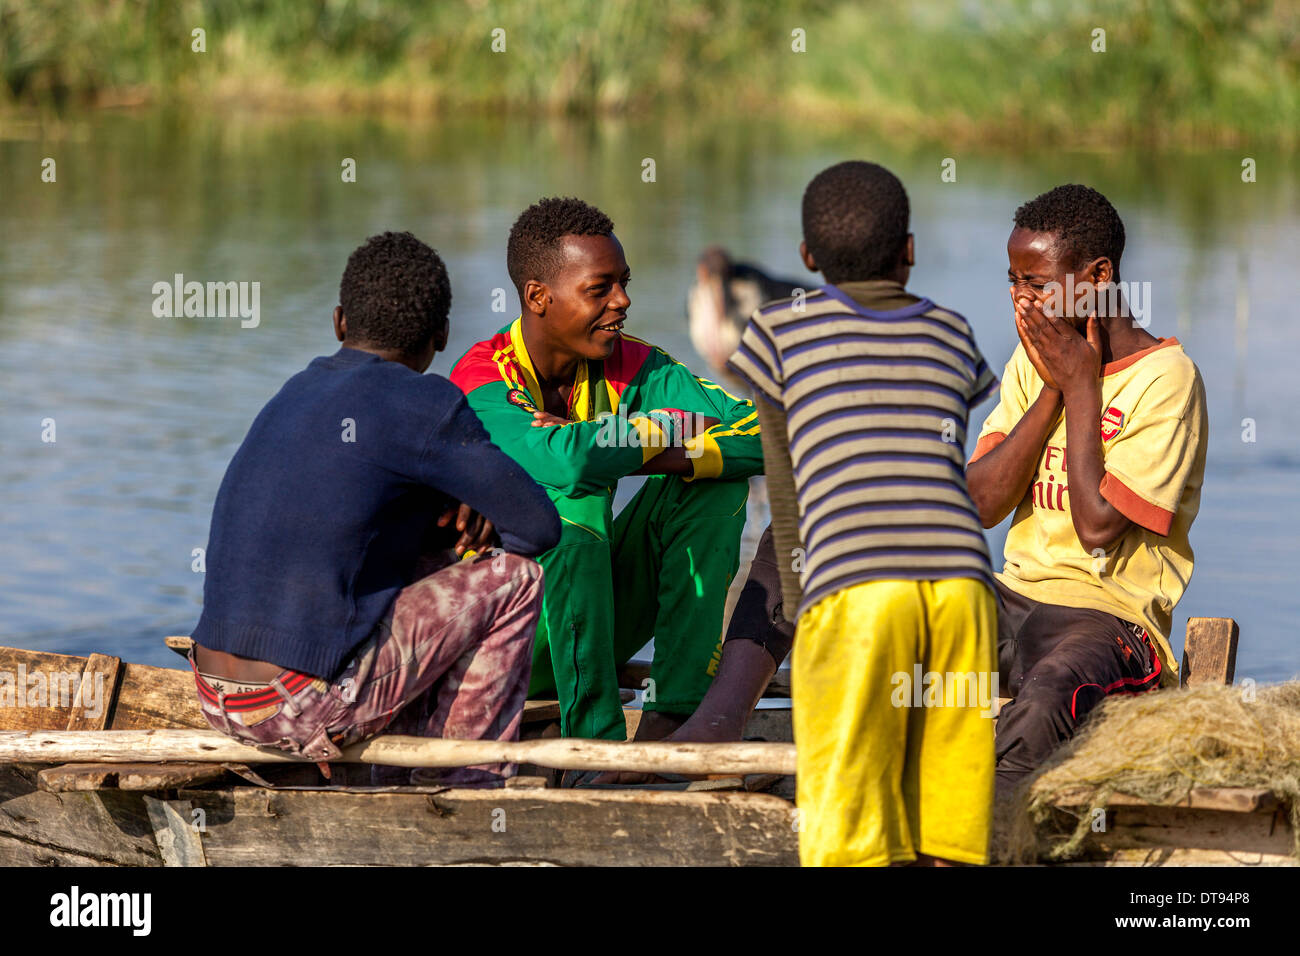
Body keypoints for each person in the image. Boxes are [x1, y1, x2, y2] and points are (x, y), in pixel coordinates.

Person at [190, 231, 560, 787]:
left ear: (340, 322)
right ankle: (466, 782)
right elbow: (537, 526)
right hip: (295, 706)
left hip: (214, 697)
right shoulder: (424, 401)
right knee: (514, 579)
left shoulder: (296, 390)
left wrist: (448, 512)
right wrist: (474, 512)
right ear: (442, 335)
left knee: (429, 561)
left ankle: (384, 767)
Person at [729, 160, 1001, 866]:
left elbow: (786, 496)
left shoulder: (776, 333)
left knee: (848, 817)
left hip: (855, 587)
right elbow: (927, 463)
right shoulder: (952, 333)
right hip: (963, 589)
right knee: (947, 815)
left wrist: (794, 601)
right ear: (909, 250)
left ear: (807, 259)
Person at [450, 197, 765, 744]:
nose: (622, 302)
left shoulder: (633, 363)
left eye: (623, 282)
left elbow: (770, 432)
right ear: (537, 297)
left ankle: (676, 710)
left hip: (595, 631)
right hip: (497, 649)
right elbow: (568, 463)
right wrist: (660, 426)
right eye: (599, 289)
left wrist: (659, 451)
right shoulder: (481, 377)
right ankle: (594, 741)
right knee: (580, 495)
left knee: (717, 482)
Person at [966, 184, 1208, 796]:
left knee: (1049, 695)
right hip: (1011, 600)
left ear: (1097, 277)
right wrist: (1054, 386)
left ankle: (999, 840)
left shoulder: (1167, 380)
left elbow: (1097, 526)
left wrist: (1080, 387)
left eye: (1039, 283)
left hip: (1110, 625)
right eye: (1014, 280)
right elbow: (983, 505)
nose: (1022, 301)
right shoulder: (1032, 366)